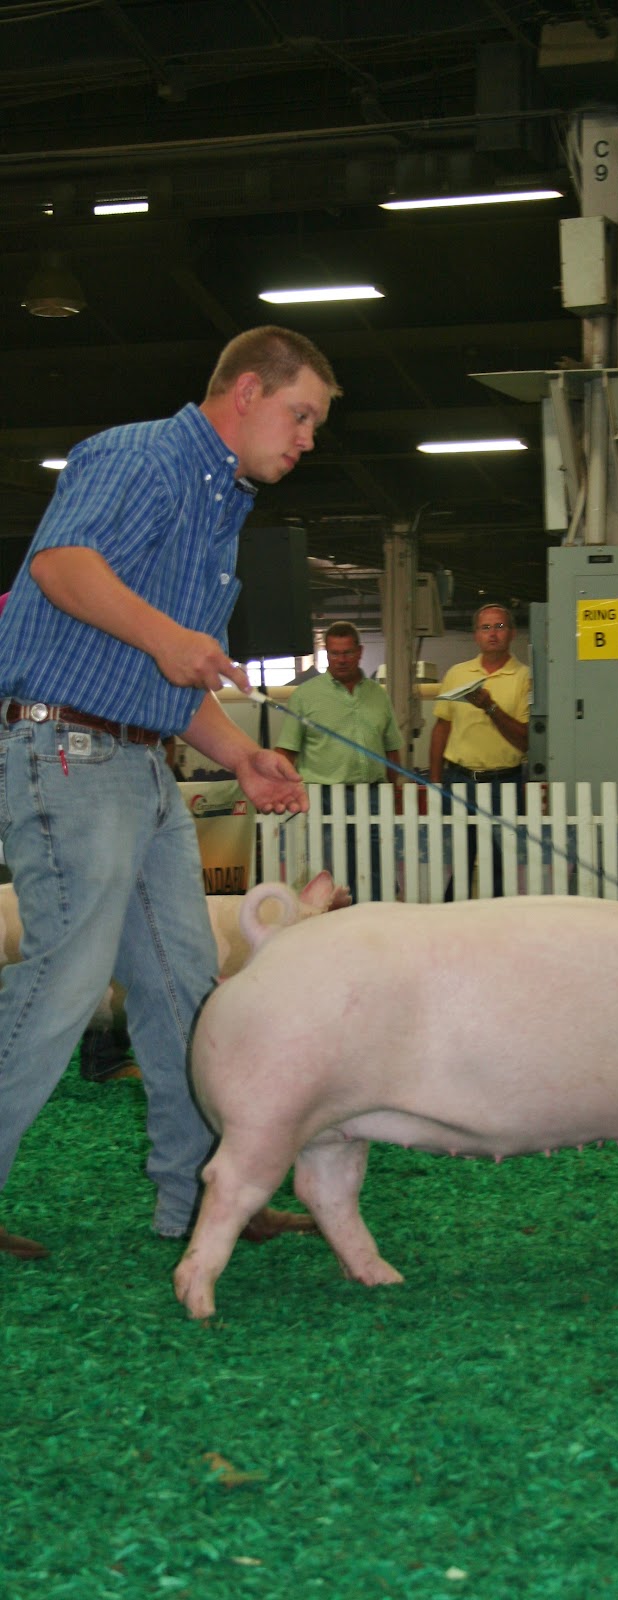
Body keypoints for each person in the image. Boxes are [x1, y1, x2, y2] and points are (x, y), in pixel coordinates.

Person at [0, 324, 338, 1261]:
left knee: (187, 990)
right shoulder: (140, 454)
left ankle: (201, 1200)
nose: (306, 438)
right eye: (299, 414)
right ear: (245, 393)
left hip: (138, 765)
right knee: (63, 982)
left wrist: (237, 755)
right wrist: (163, 636)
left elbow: (164, 683)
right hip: (65, 755)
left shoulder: (217, 505)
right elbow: (61, 565)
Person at [275, 621, 401, 899]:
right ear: (326, 654)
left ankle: (376, 922)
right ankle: (333, 928)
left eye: (347, 652)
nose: (341, 660)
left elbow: (392, 748)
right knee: (331, 868)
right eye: (334, 653)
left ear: (360, 652)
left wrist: (396, 791)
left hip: (373, 794)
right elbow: (287, 750)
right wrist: (279, 786)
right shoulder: (305, 696)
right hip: (325, 796)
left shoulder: (378, 695)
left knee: (376, 864)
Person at [429, 603, 530, 898]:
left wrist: (490, 707)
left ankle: (497, 927)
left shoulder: (524, 677)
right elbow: (441, 728)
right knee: (459, 861)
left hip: (505, 782)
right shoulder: (457, 674)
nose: (493, 634)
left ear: (512, 633)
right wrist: (435, 780)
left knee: (501, 862)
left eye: (499, 627)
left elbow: (525, 740)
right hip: (458, 780)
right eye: (486, 628)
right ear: (475, 635)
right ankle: (452, 925)